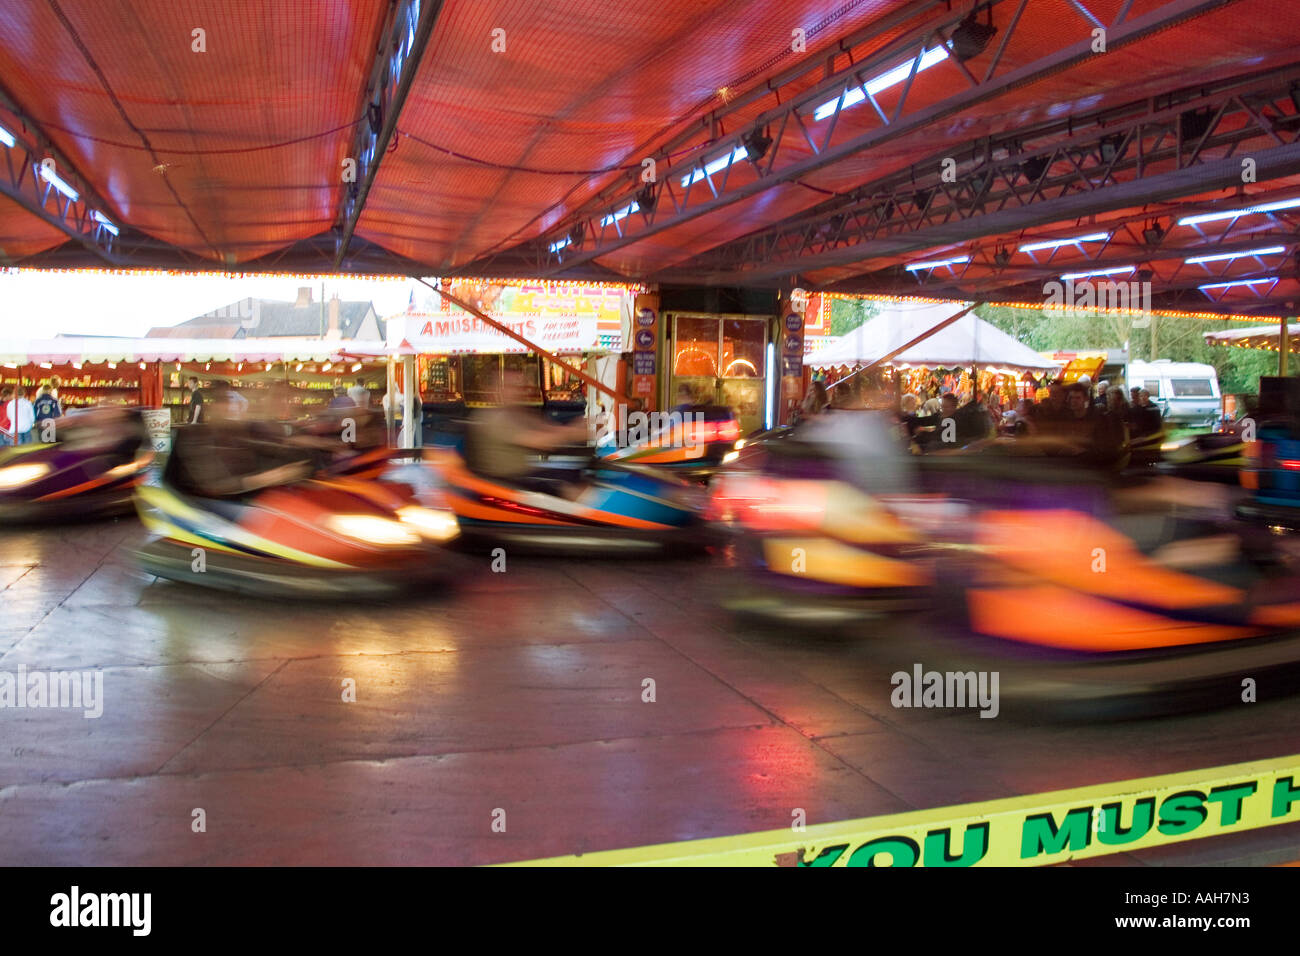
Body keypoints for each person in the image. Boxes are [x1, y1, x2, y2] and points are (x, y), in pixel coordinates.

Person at [463, 369, 589, 495]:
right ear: (497, 389)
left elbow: (551, 428)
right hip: (509, 481)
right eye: (511, 387)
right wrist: (574, 433)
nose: (518, 391)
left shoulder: (517, 413)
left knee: (578, 473)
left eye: (520, 387)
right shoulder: (493, 418)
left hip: (527, 474)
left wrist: (590, 426)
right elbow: (542, 442)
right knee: (573, 487)